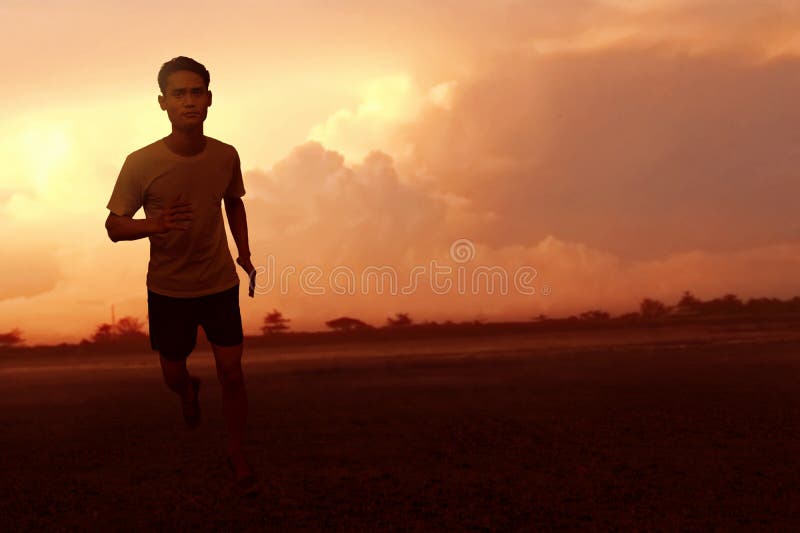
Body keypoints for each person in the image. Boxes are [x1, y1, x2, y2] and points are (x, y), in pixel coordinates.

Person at [105, 56, 259, 496]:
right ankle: (187, 390)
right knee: (172, 374)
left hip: (219, 283)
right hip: (169, 289)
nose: (189, 101)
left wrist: (243, 251)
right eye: (179, 94)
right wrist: (154, 225)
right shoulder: (140, 162)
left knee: (232, 371)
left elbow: (234, 201)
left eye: (197, 93)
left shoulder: (226, 155)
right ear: (163, 103)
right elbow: (115, 227)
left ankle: (235, 452)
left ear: (209, 99)